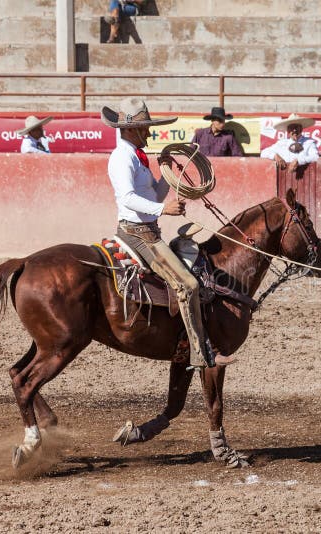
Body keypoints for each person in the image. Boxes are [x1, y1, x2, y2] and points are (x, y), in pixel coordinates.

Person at [101, 97, 216, 369]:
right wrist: (163, 210)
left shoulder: (136, 157)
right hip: (139, 234)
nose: (150, 132)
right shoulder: (121, 157)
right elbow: (127, 198)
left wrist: (168, 172)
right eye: (145, 128)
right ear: (131, 130)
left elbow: (152, 192)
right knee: (188, 284)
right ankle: (199, 353)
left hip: (147, 230)